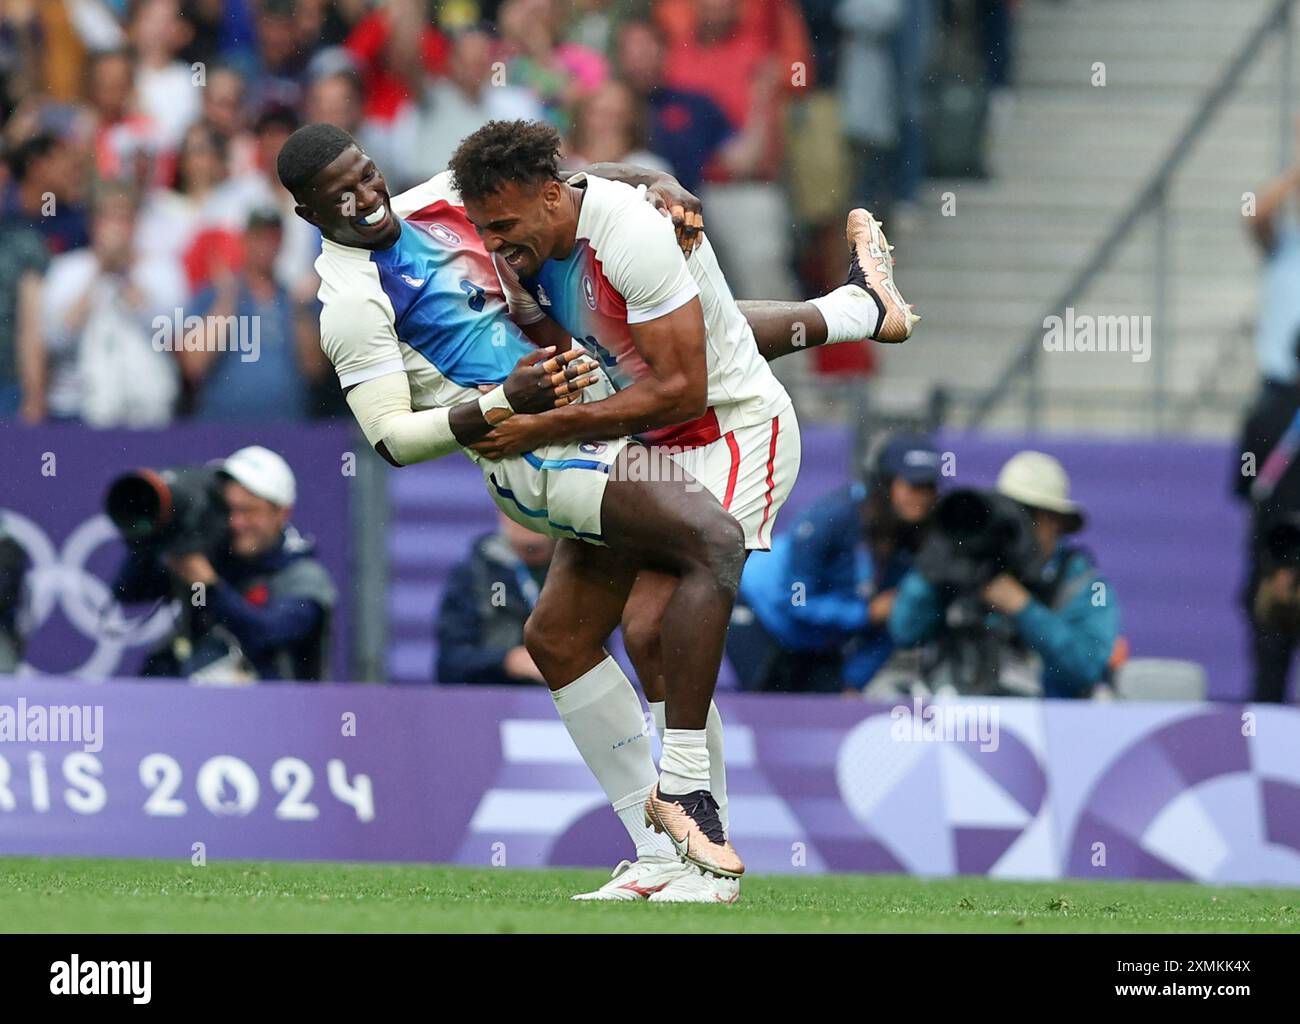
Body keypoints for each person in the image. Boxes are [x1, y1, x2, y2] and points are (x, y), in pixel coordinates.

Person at [276, 120, 914, 903]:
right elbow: (390, 440)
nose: (366, 197)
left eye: (366, 173)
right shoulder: (349, 301)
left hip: (597, 417)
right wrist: (501, 402)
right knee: (680, 523)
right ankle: (683, 829)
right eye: (341, 194)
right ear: (310, 213)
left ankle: (671, 848)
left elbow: (560, 185)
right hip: (539, 452)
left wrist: (646, 180)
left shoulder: (439, 200)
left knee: (564, 634)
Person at [889, 451, 1121, 698]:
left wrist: (1023, 608)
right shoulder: (966, 566)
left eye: (1027, 515)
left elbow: (1086, 668)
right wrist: (935, 568)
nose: (1015, 525)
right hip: (954, 715)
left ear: (1056, 521)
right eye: (1009, 512)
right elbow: (905, 631)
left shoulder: (1086, 586)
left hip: (1044, 726)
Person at [729, 433, 941, 693]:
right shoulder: (832, 517)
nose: (921, 496)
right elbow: (795, 600)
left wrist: (854, 681)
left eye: (929, 486)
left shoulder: (920, 539)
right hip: (760, 612)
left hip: (820, 639)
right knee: (767, 703)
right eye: (912, 485)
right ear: (885, 483)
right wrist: (865, 613)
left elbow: (894, 617)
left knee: (827, 705)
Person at [113, 446, 337, 682]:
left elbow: (267, 634)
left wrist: (208, 584)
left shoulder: (303, 577)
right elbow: (128, 591)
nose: (236, 522)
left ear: (281, 513)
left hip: (280, 712)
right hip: (195, 709)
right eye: (228, 510)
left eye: (248, 511)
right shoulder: (212, 557)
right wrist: (151, 536)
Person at [183, 207, 325, 420]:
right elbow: (193, 364)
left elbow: (315, 371)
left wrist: (300, 310)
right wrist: (226, 303)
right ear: (245, 240)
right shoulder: (215, 295)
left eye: (273, 239)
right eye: (259, 238)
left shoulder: (294, 301)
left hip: (287, 427)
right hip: (220, 427)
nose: (266, 246)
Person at [435, 513, 555, 686]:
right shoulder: (474, 573)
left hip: (564, 703)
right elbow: (449, 664)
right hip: (493, 702)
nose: (527, 516)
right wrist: (507, 661)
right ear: (502, 510)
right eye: (519, 505)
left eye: (537, 507)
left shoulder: (581, 571)